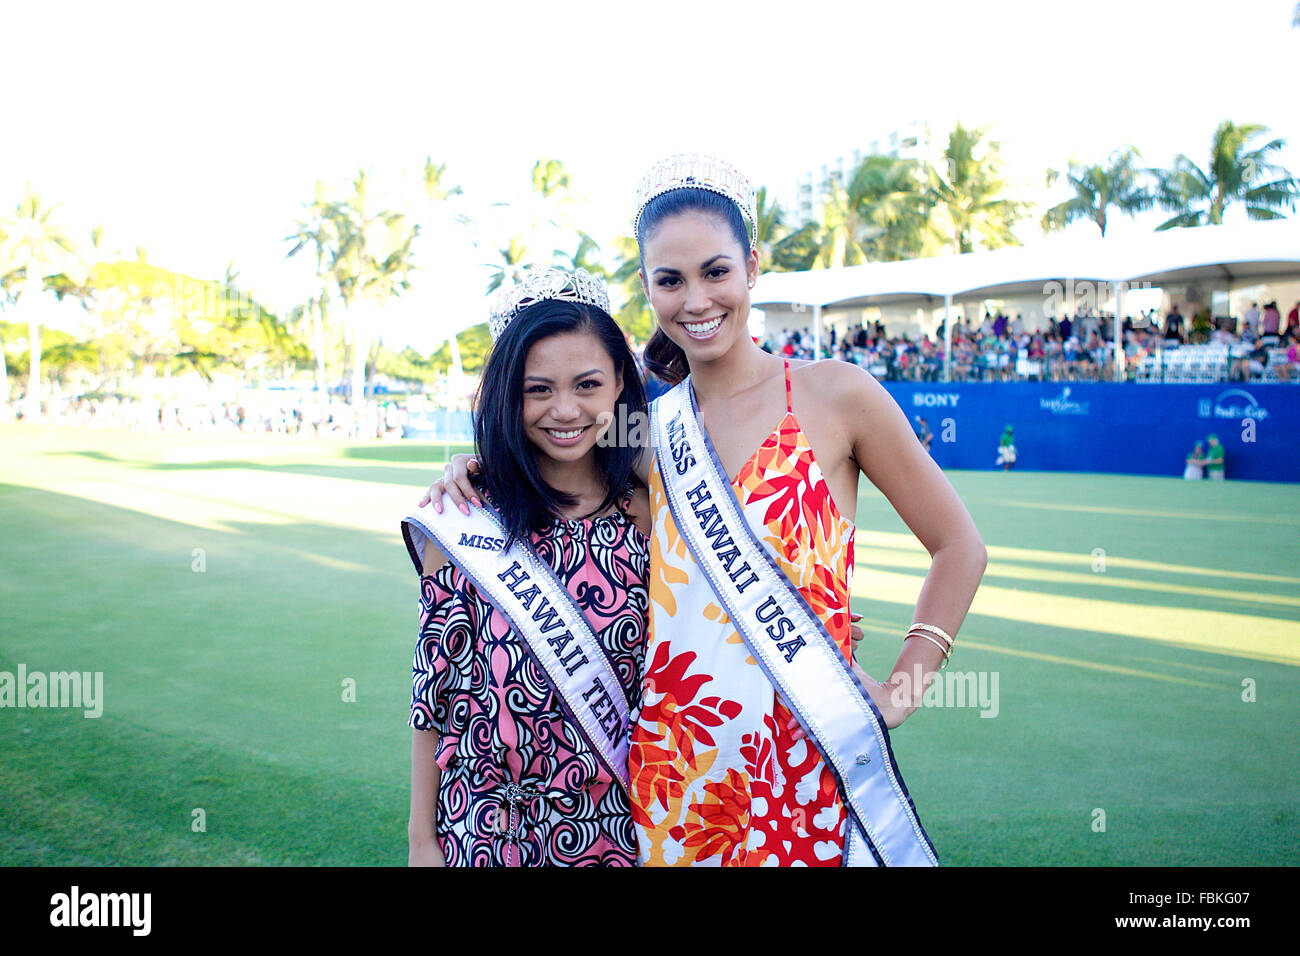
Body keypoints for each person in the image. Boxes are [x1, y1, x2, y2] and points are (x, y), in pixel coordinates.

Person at [621, 154, 985, 867]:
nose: (695, 299)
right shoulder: (644, 432)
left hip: (808, 760)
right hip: (676, 777)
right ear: (647, 288)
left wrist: (903, 689)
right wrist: (466, 467)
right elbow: (536, 469)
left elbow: (959, 546)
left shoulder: (835, 394)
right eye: (671, 280)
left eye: (715, 271)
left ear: (752, 267)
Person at [404, 268, 652, 867]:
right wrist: (420, 841)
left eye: (587, 384)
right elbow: (432, 693)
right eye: (537, 389)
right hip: (483, 829)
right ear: (506, 394)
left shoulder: (652, 515)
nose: (564, 410)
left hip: (615, 832)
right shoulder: (461, 514)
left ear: (621, 383)